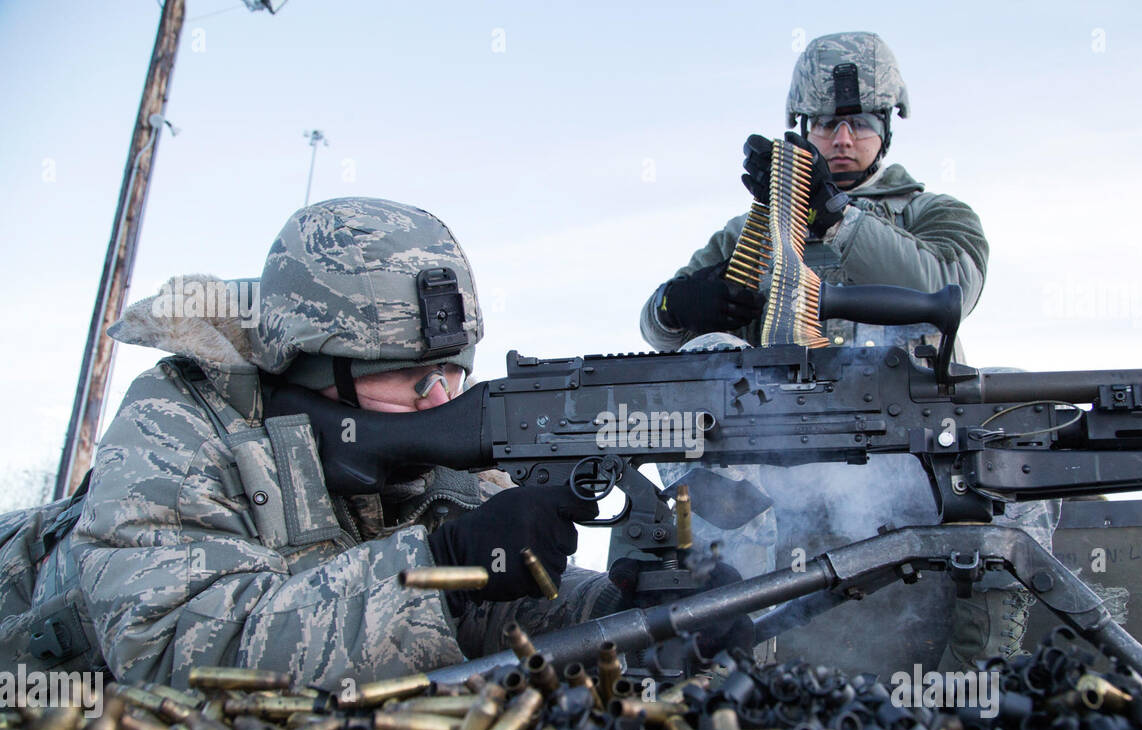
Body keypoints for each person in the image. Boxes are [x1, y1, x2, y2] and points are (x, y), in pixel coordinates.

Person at [68, 197, 625, 689]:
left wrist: (619, 606)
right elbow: (174, 653)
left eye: (454, 371)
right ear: (316, 370)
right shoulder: (178, 429)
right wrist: (441, 569)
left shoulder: (430, 441)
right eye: (412, 377)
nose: (439, 400)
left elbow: (478, 620)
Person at [634, 32, 1055, 671]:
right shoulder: (755, 231)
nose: (843, 138)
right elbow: (656, 329)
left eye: (859, 122)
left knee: (1019, 412)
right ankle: (722, 661)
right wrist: (682, 306)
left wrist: (839, 221)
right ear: (805, 128)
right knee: (708, 357)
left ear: (886, 128)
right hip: (783, 468)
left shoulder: (937, 215)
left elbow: (947, 288)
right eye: (828, 123)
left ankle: (975, 680)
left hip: (912, 462)